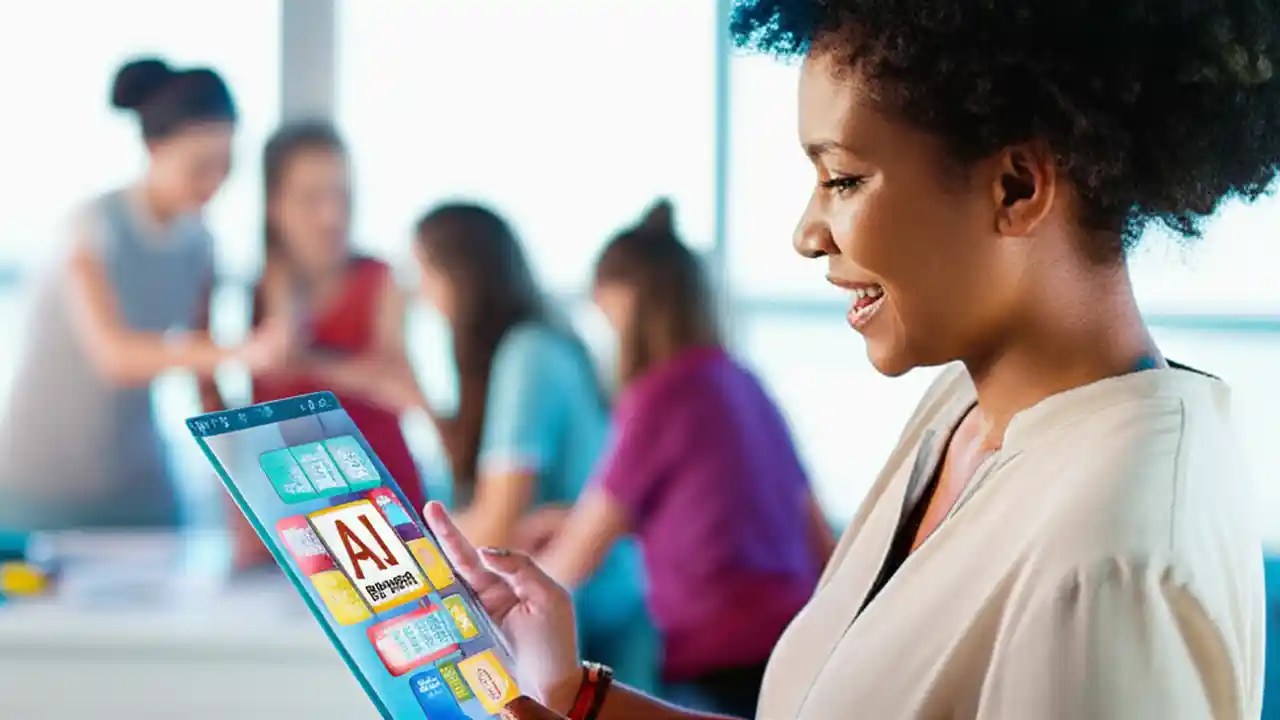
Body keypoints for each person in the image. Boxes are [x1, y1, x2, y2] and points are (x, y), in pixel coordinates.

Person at [428, 0, 1280, 717]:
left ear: (1017, 186)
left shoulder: (1111, 560)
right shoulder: (965, 409)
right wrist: (573, 696)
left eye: (842, 179)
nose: (807, 232)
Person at [525, 200, 832, 717]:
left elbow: (575, 560)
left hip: (721, 653)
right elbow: (813, 532)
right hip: (799, 639)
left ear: (628, 303)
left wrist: (497, 597)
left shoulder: (658, 397)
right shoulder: (740, 379)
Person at [0, 58, 282, 531]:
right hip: (37, 479)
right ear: (153, 147)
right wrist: (244, 351)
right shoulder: (91, 226)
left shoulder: (202, 244)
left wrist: (240, 489)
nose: (213, 183)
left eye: (225, 166)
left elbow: (203, 373)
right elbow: (113, 356)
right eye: (200, 166)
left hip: (140, 482)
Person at [408, 203, 657, 692]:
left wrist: (389, 552)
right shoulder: (542, 339)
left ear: (460, 278)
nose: (420, 295)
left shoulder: (527, 355)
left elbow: (495, 524)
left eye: (424, 274)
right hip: (593, 603)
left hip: (597, 618)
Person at [249, 121, 424, 510]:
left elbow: (405, 392)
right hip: (291, 505)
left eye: (343, 196)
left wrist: (307, 361)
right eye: (311, 199)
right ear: (273, 206)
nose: (332, 216)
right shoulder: (258, 288)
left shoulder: (379, 280)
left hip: (382, 499)